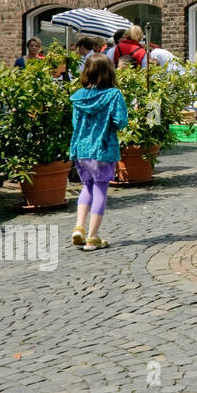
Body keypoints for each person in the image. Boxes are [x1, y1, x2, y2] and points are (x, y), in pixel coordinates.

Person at [68, 55, 129, 252]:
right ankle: (92, 237)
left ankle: (79, 226)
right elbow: (120, 121)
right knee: (101, 189)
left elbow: (75, 124)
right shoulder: (113, 95)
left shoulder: (78, 96)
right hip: (102, 148)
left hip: (81, 149)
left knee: (87, 186)